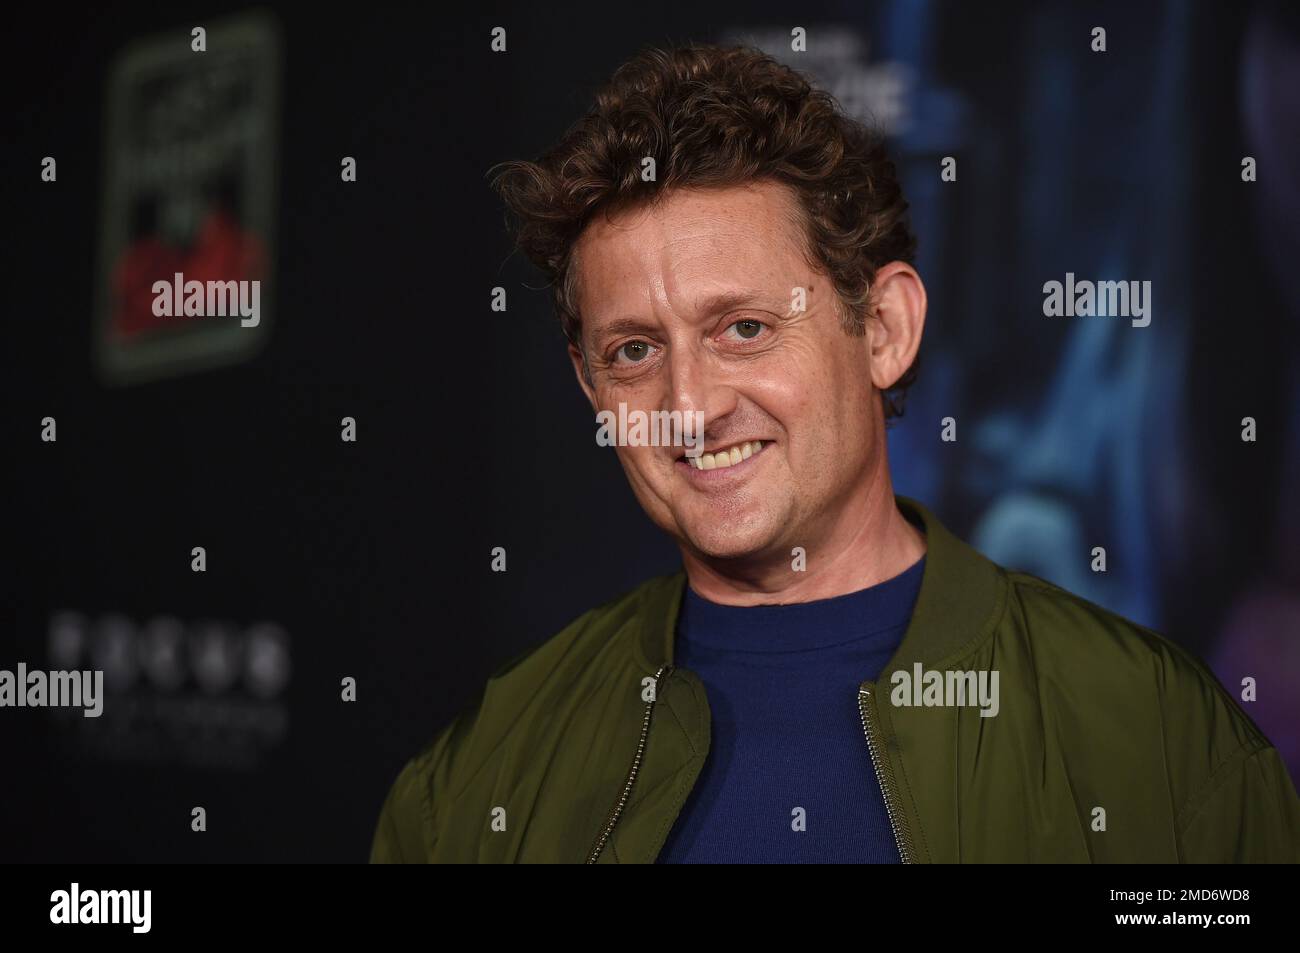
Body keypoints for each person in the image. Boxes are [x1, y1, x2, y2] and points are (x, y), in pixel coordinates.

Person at [370, 43, 1300, 863]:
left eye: (744, 327)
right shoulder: (484, 772)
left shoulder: (1154, 737)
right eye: (635, 352)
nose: (688, 407)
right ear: (591, 387)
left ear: (885, 329)